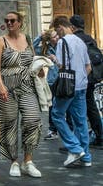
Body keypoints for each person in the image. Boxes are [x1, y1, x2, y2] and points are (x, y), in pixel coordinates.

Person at [0, 9, 42, 178]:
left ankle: (28, 161)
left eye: (12, 20)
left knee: (32, 120)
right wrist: (0, 85)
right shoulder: (1, 40)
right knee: (9, 124)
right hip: (8, 87)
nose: (9, 23)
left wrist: (40, 69)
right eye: (6, 20)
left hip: (28, 86)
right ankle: (13, 161)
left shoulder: (27, 39)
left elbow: (33, 60)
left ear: (20, 22)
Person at [51, 15, 92, 169]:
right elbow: (88, 67)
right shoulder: (81, 42)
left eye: (57, 30)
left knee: (57, 115)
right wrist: (80, 79)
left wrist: (54, 59)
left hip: (68, 87)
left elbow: (62, 65)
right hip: (82, 85)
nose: (57, 34)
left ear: (61, 26)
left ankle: (75, 149)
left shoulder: (63, 42)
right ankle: (86, 157)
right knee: (80, 122)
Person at [69, 14, 103, 148]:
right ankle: (99, 135)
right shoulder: (90, 38)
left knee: (75, 109)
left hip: (79, 79)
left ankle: (76, 141)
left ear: (72, 27)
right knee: (91, 106)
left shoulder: (74, 40)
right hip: (91, 78)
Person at [32, 28, 59, 139]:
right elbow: (32, 47)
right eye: (54, 36)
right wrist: (40, 36)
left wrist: (55, 58)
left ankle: (70, 129)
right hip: (52, 80)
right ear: (49, 39)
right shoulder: (45, 49)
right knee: (52, 105)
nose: (57, 37)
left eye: (57, 35)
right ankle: (52, 130)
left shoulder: (62, 45)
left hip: (63, 79)